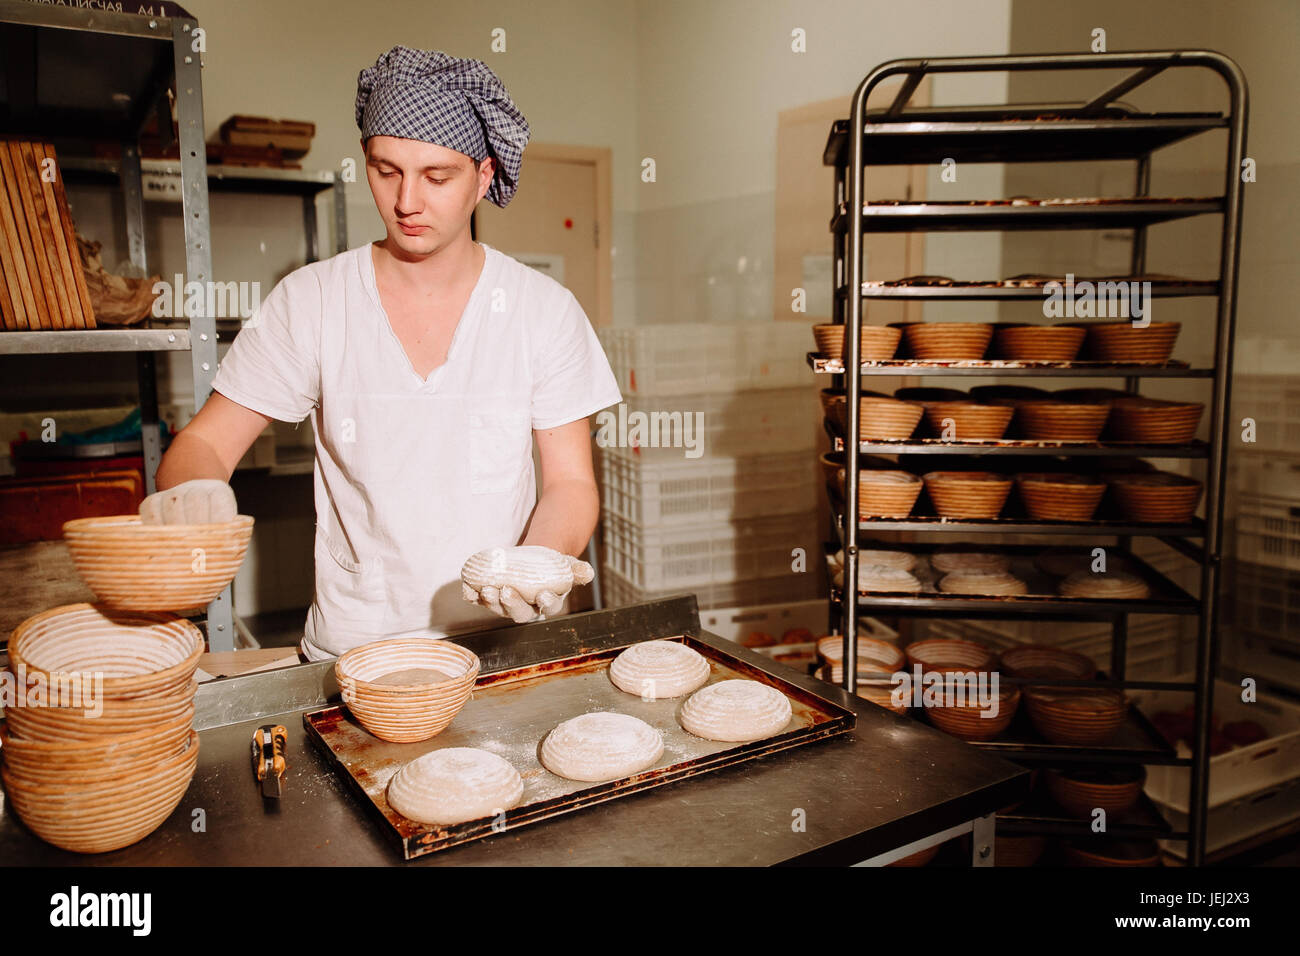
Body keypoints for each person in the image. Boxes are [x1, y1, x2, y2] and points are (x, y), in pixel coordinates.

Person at [143, 46, 622, 660]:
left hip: (497, 650)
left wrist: (539, 558)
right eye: (385, 169)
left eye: (437, 176)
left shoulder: (542, 310)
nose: (406, 202)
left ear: (484, 174)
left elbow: (572, 484)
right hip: (353, 654)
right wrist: (194, 500)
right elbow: (203, 446)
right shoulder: (313, 301)